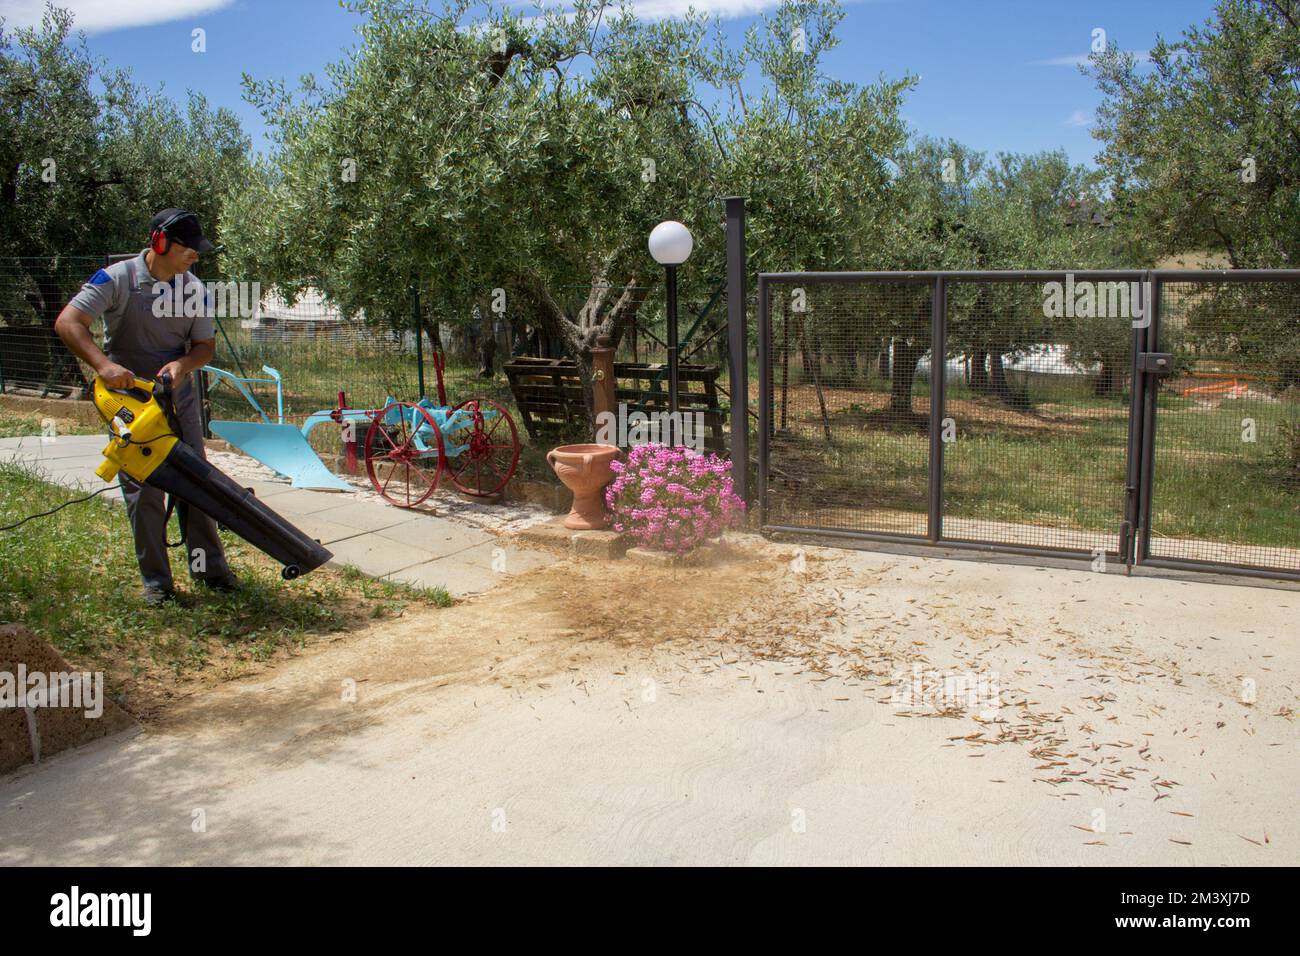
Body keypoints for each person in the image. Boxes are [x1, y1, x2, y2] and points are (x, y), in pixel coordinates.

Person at [54, 208, 237, 604]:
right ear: (161, 242)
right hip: (130, 406)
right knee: (144, 491)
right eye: (189, 248)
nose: (196, 257)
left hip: (178, 400)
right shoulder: (116, 279)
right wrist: (103, 366)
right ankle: (157, 584)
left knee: (197, 484)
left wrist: (183, 364)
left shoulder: (193, 289)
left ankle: (211, 572)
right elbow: (68, 323)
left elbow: (205, 347)